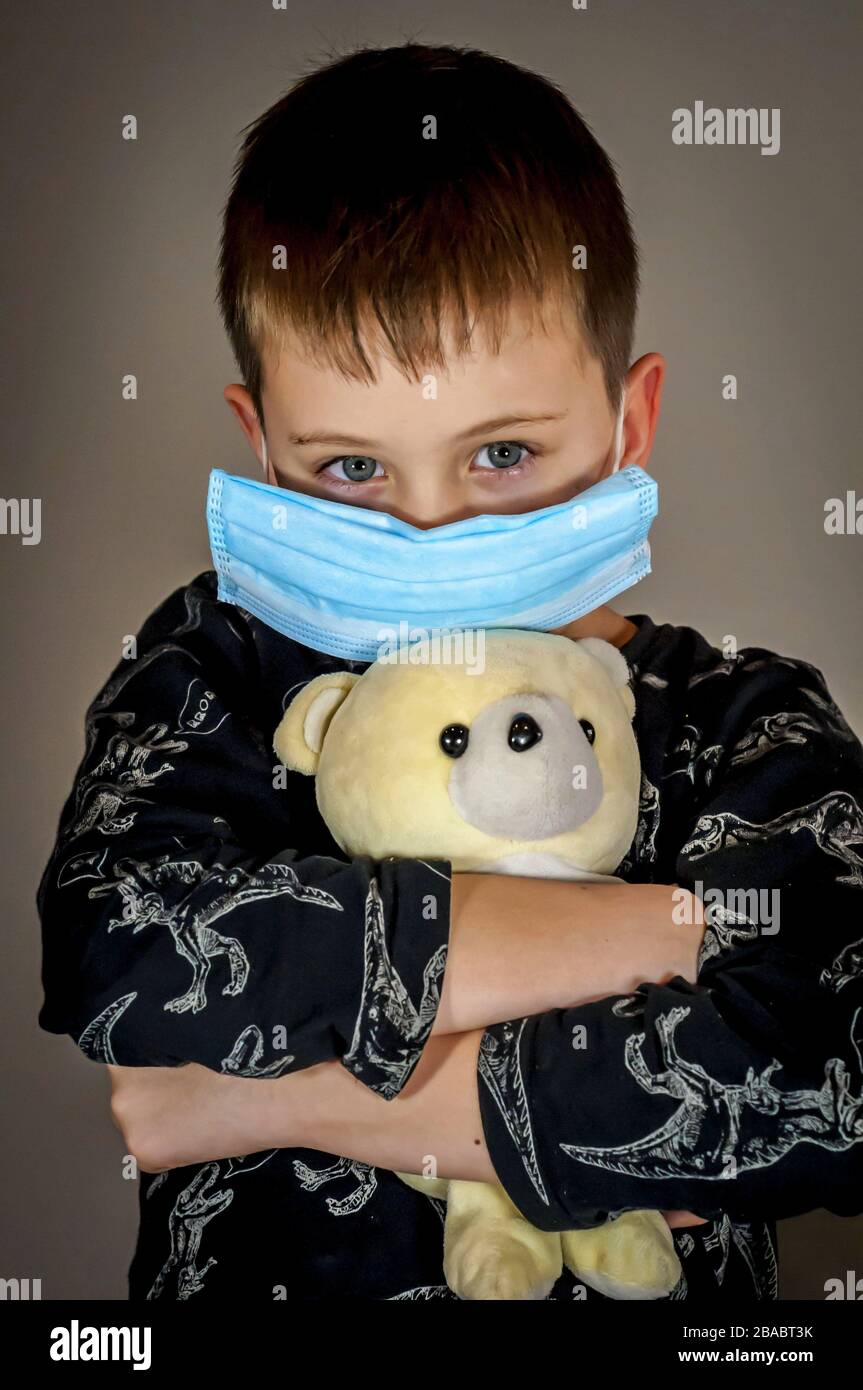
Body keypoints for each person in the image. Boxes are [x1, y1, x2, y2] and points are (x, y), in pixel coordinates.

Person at [37, 43, 863, 1302]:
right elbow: (125, 950)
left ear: (626, 423)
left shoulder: (742, 720)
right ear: (262, 447)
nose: (431, 534)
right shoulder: (220, 671)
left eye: (503, 454)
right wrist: (664, 931)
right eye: (351, 469)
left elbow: (824, 1076)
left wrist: (255, 1097)